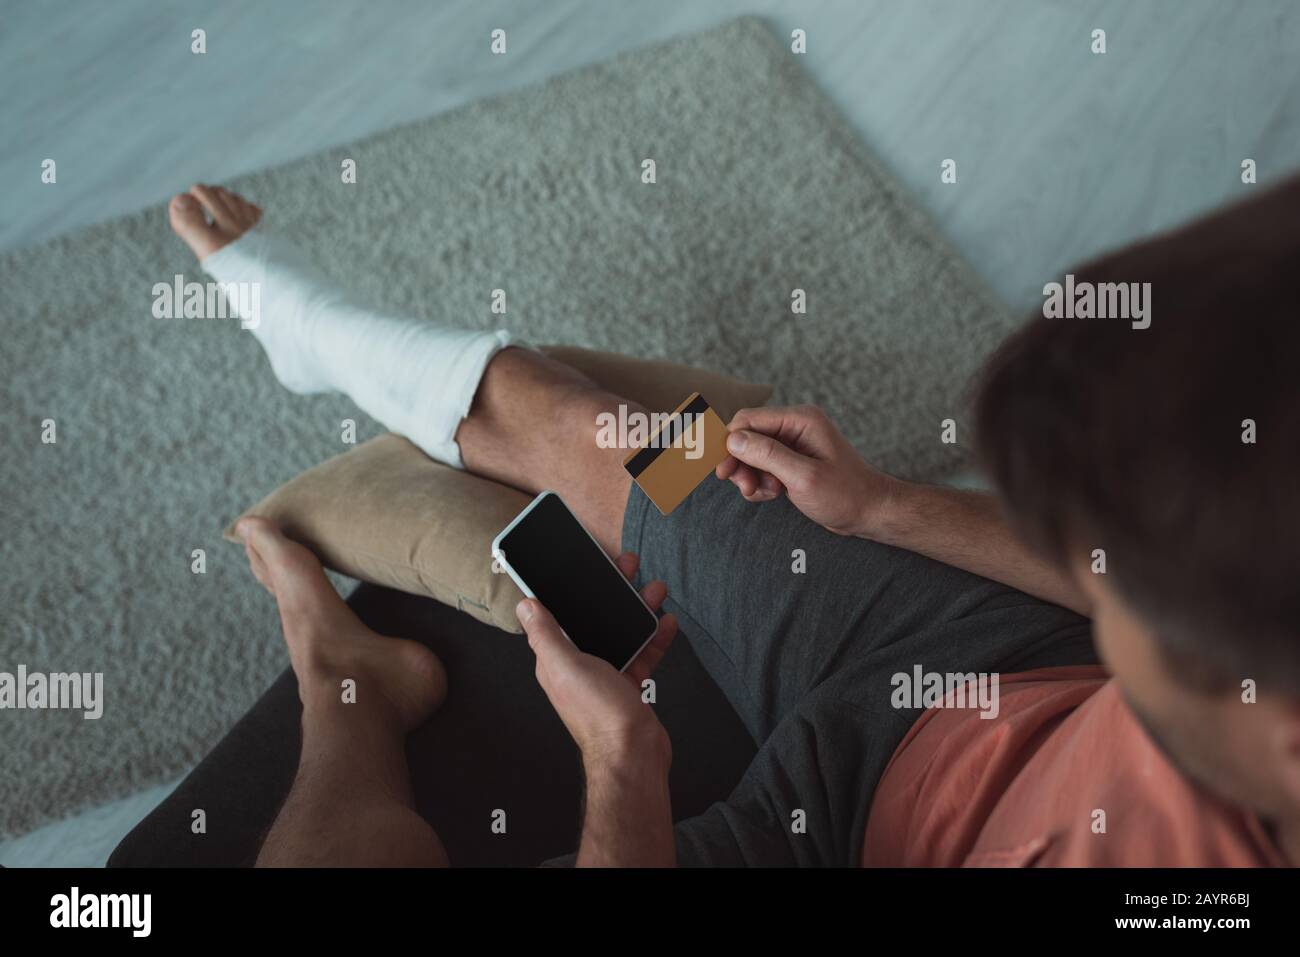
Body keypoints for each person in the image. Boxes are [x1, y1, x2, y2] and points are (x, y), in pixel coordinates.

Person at [164, 176, 1298, 866]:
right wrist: (884, 507)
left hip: (826, 840)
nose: (1105, 582)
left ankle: (345, 677)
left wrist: (624, 764)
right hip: (984, 669)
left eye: (1135, 597)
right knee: (621, 434)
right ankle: (302, 327)